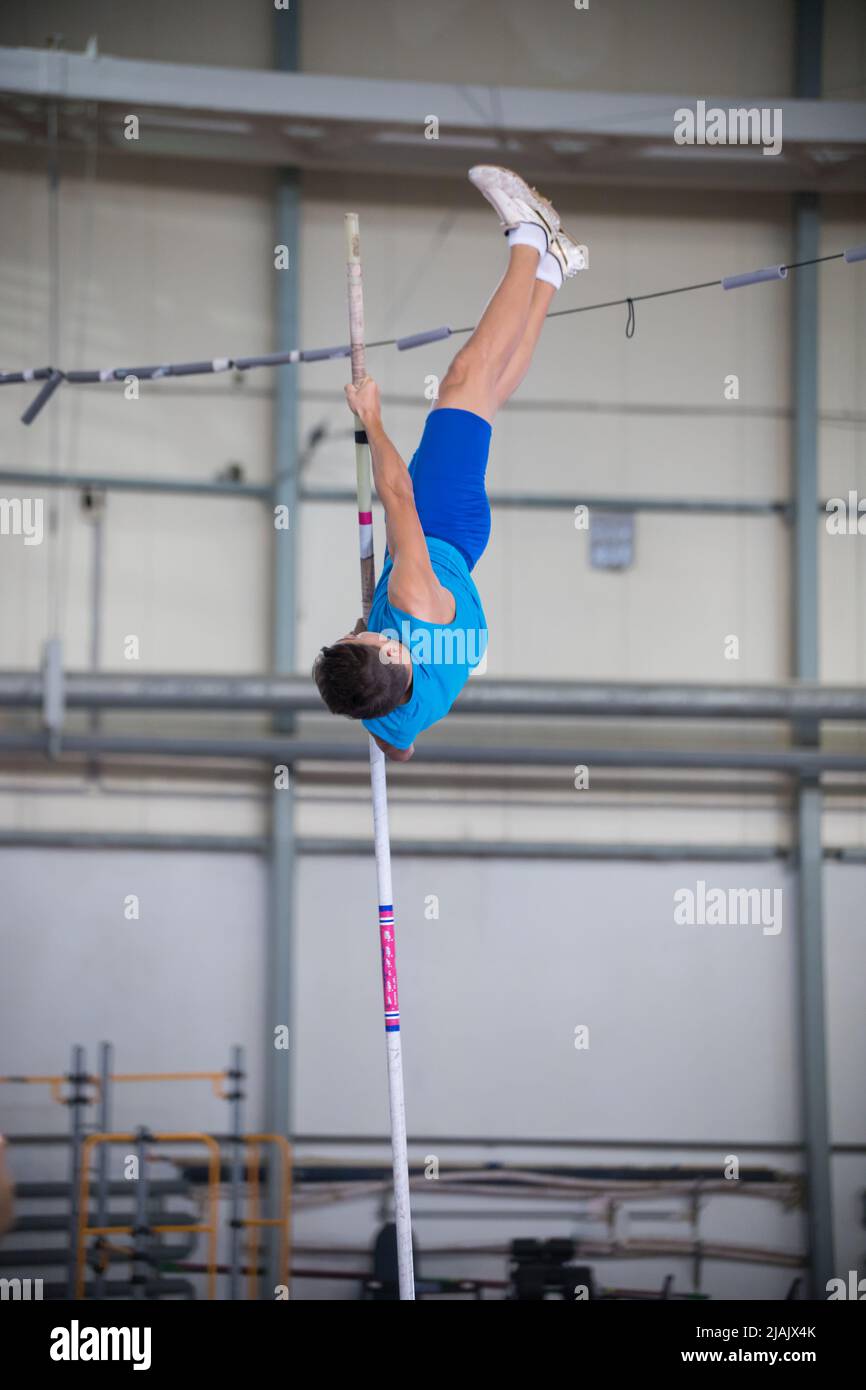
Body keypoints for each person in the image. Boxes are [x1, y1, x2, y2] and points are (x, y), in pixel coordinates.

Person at [313, 166, 586, 760]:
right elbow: (398, 494)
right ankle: (528, 238)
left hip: (462, 552)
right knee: (464, 377)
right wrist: (372, 418)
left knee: (487, 393)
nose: (354, 629)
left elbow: (400, 749)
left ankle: (553, 268)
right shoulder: (412, 605)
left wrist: (376, 722)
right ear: (390, 651)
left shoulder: (401, 711)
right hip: (440, 520)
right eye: (357, 636)